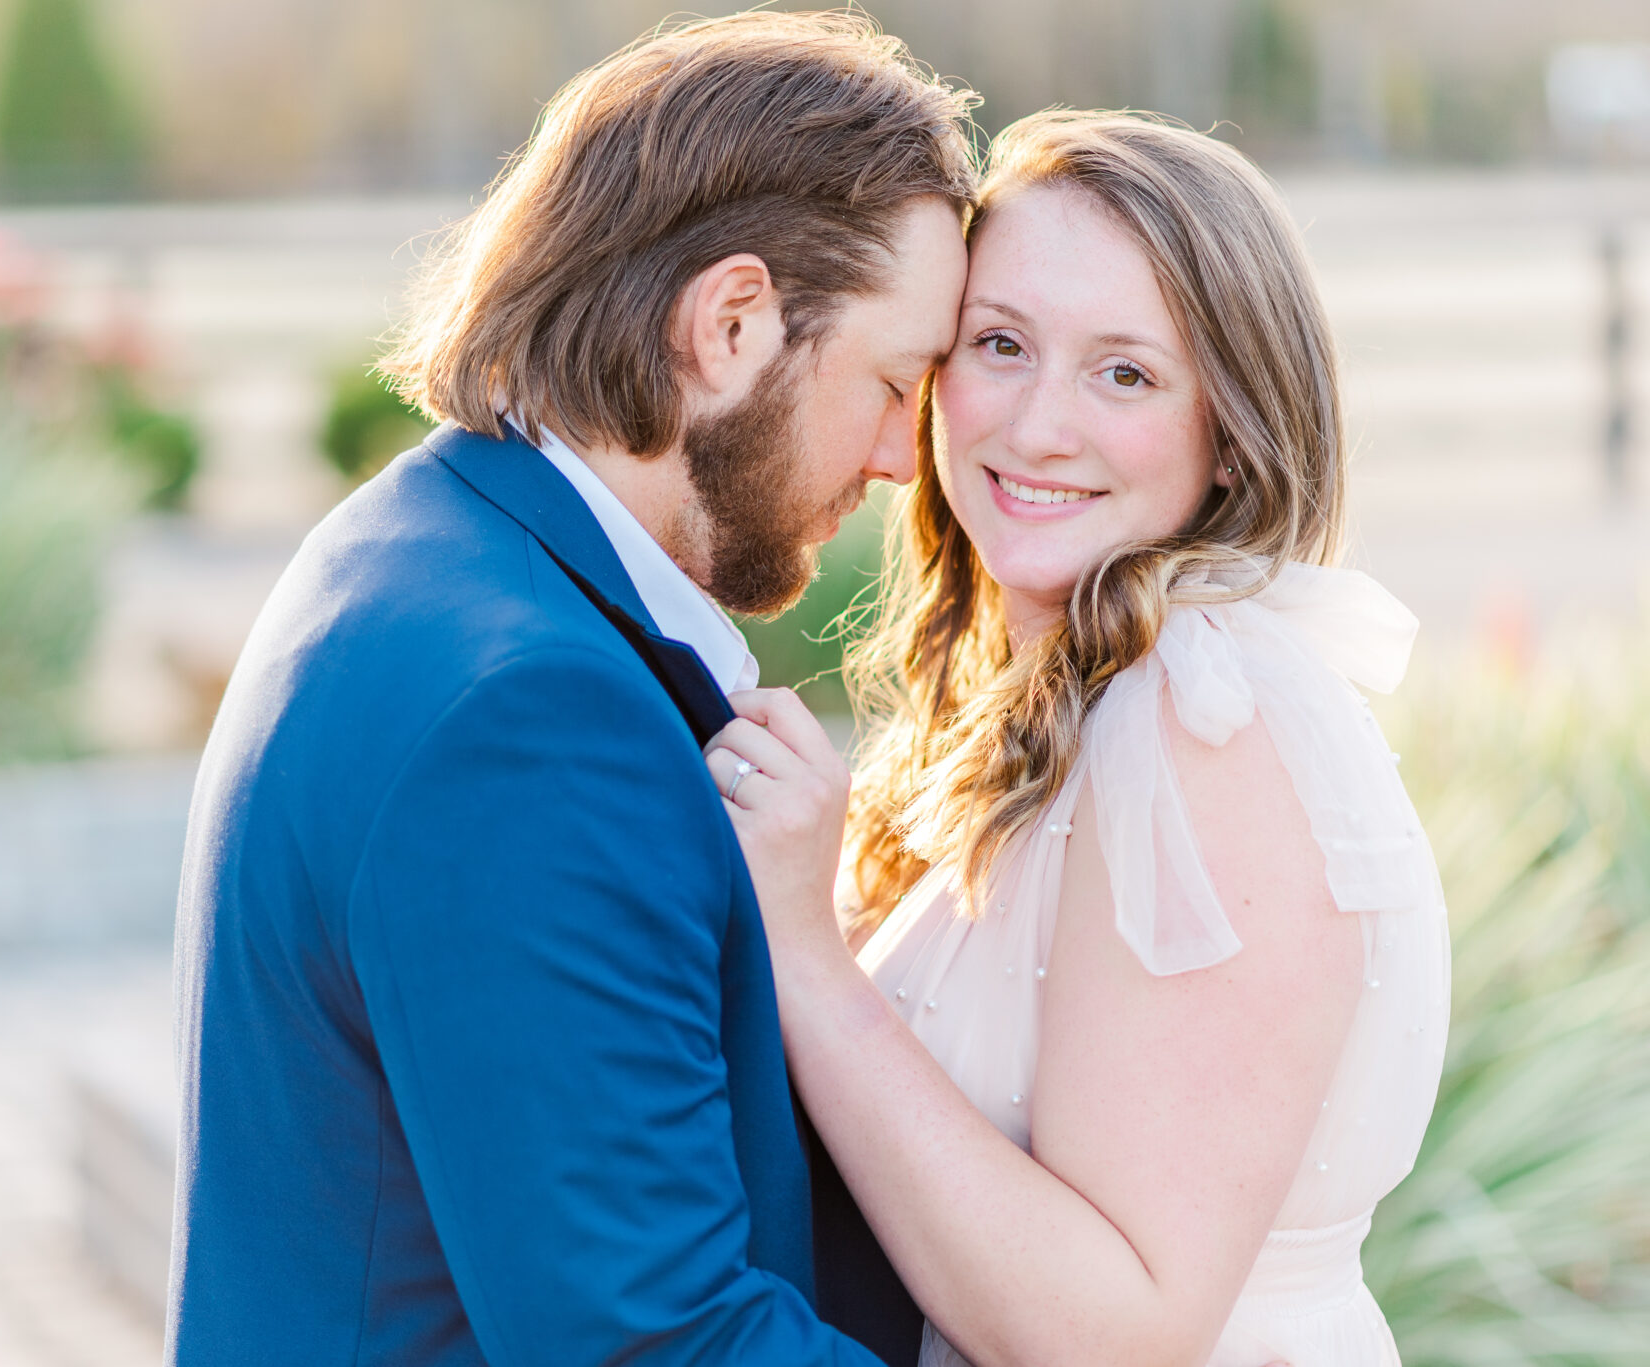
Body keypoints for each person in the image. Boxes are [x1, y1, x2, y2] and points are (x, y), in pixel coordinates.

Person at [166, 13, 976, 1364]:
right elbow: (656, 1336)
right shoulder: (530, 717)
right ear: (730, 322)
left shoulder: (422, 543)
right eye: (894, 383)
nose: (904, 457)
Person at [706, 111, 1451, 1367]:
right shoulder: (1066, 690)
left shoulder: (1204, 715)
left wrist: (802, 957)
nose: (1036, 425)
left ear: (1231, 433)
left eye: (1123, 373)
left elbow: (1117, 1335)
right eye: (999, 345)